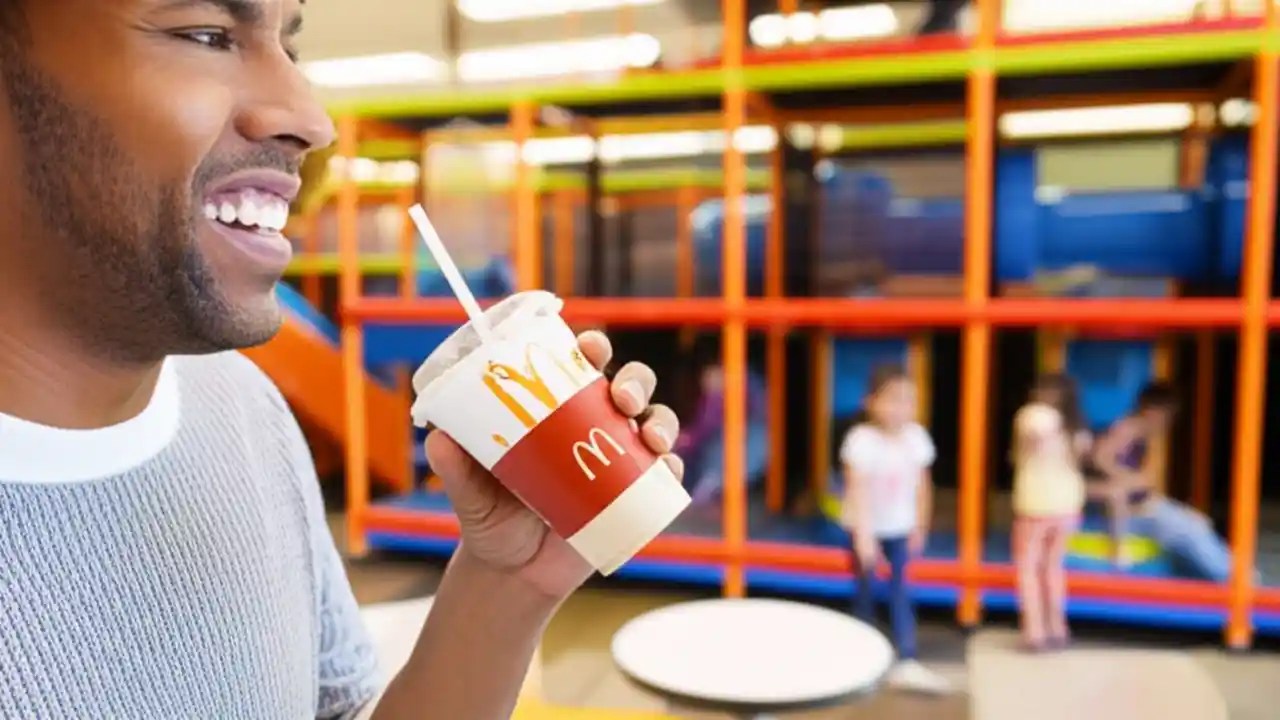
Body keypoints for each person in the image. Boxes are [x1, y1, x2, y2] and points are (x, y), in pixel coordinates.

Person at [0, 2, 682, 718]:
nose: (312, 119)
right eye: (206, 35)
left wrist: (509, 582)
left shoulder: (243, 405)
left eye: (289, 45)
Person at [838, 364, 950, 694]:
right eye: (892, 399)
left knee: (902, 591)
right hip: (865, 528)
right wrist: (864, 536)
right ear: (871, 402)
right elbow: (856, 490)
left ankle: (907, 657)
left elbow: (923, 487)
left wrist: (920, 524)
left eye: (908, 400)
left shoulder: (917, 438)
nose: (900, 408)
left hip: (900, 527)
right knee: (865, 593)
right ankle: (861, 655)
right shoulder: (861, 440)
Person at [1089, 382, 1232, 582]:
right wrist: (1127, 477)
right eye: (1166, 417)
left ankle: (1229, 574)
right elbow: (1100, 456)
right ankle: (1236, 579)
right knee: (1188, 529)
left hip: (1140, 505)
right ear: (1152, 411)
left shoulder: (1141, 433)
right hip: (1125, 510)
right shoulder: (1128, 427)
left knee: (1197, 522)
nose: (1166, 424)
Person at [1010, 374, 1089, 652]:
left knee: (1029, 567)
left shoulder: (1033, 415)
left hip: (1036, 502)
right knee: (1054, 568)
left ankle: (1035, 631)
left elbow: (1025, 443)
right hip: (1068, 502)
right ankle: (1058, 627)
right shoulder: (1076, 425)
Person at [673, 359, 769, 508]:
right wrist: (684, 440)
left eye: (712, 376)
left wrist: (686, 441)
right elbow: (702, 428)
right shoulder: (712, 400)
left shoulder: (744, 394)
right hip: (715, 453)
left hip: (739, 448)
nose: (707, 382)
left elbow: (705, 428)